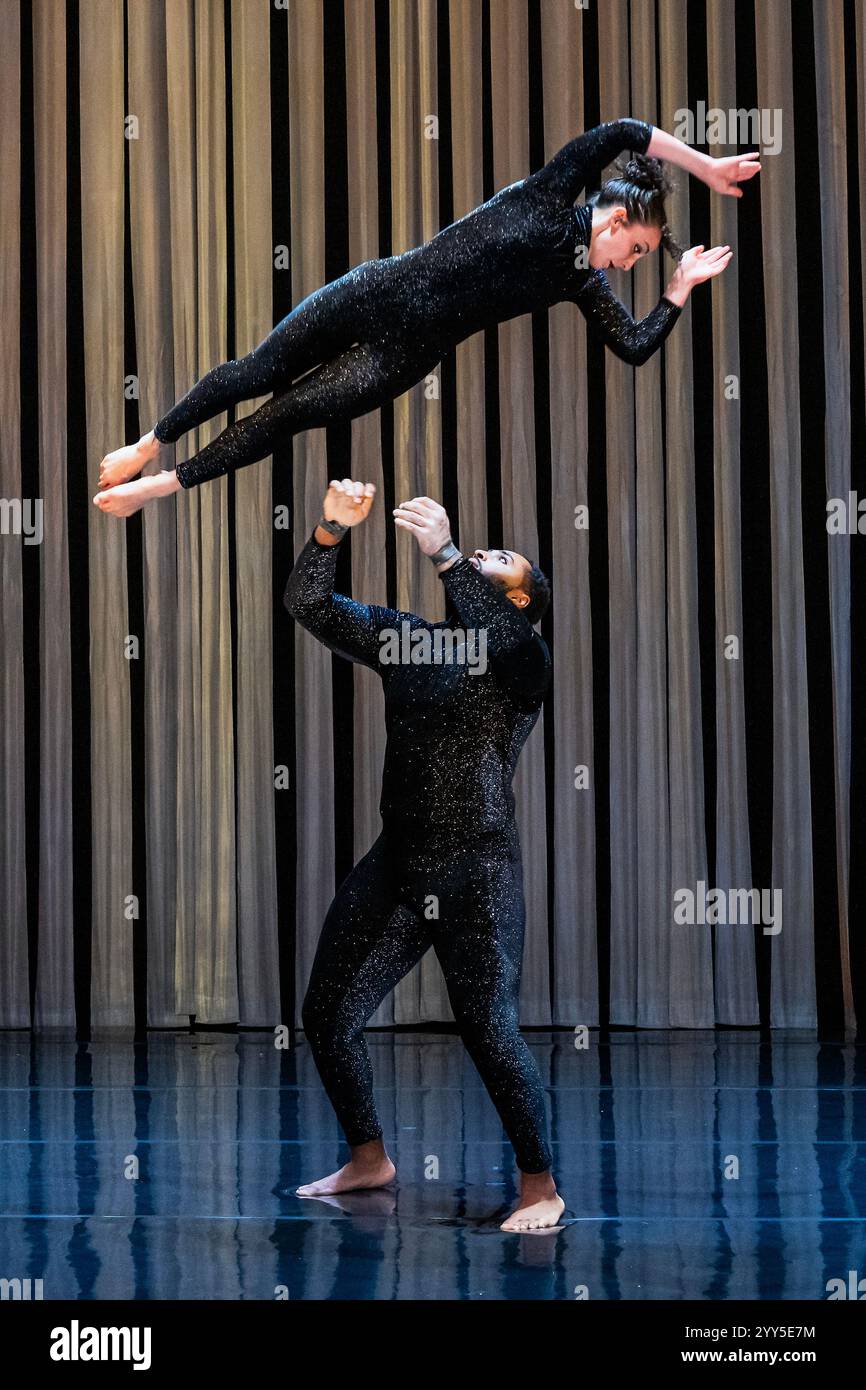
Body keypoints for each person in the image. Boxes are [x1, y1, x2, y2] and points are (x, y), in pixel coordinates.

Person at [93, 120, 759, 517]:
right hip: (375, 290)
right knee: (258, 370)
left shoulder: (581, 279)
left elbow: (636, 347)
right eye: (637, 250)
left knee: (285, 414)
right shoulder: (553, 190)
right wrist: (706, 167)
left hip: (400, 356)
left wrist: (676, 291)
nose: (630, 264)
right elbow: (623, 131)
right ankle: (150, 442)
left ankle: (159, 486)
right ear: (616, 219)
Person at [286, 477, 561, 1232]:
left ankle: (541, 1188)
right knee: (327, 1014)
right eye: (479, 550)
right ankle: (369, 1158)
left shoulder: (523, 658)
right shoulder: (416, 642)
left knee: (487, 1026)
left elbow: (504, 639)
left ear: (521, 598)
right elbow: (309, 607)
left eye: (500, 559)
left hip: (476, 871)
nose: (482, 554)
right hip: (400, 864)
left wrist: (443, 552)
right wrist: (329, 534)